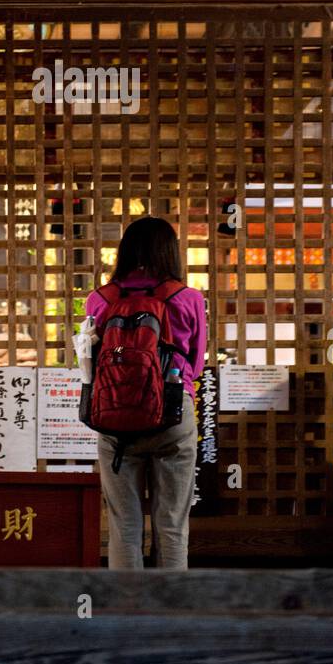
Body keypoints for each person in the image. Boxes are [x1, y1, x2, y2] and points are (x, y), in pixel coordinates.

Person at [84, 216, 206, 569]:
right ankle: (170, 615)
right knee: (171, 524)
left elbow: (88, 357)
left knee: (124, 524)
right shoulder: (188, 298)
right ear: (171, 252)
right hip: (172, 412)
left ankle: (127, 615)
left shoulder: (99, 300)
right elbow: (195, 365)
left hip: (114, 419)